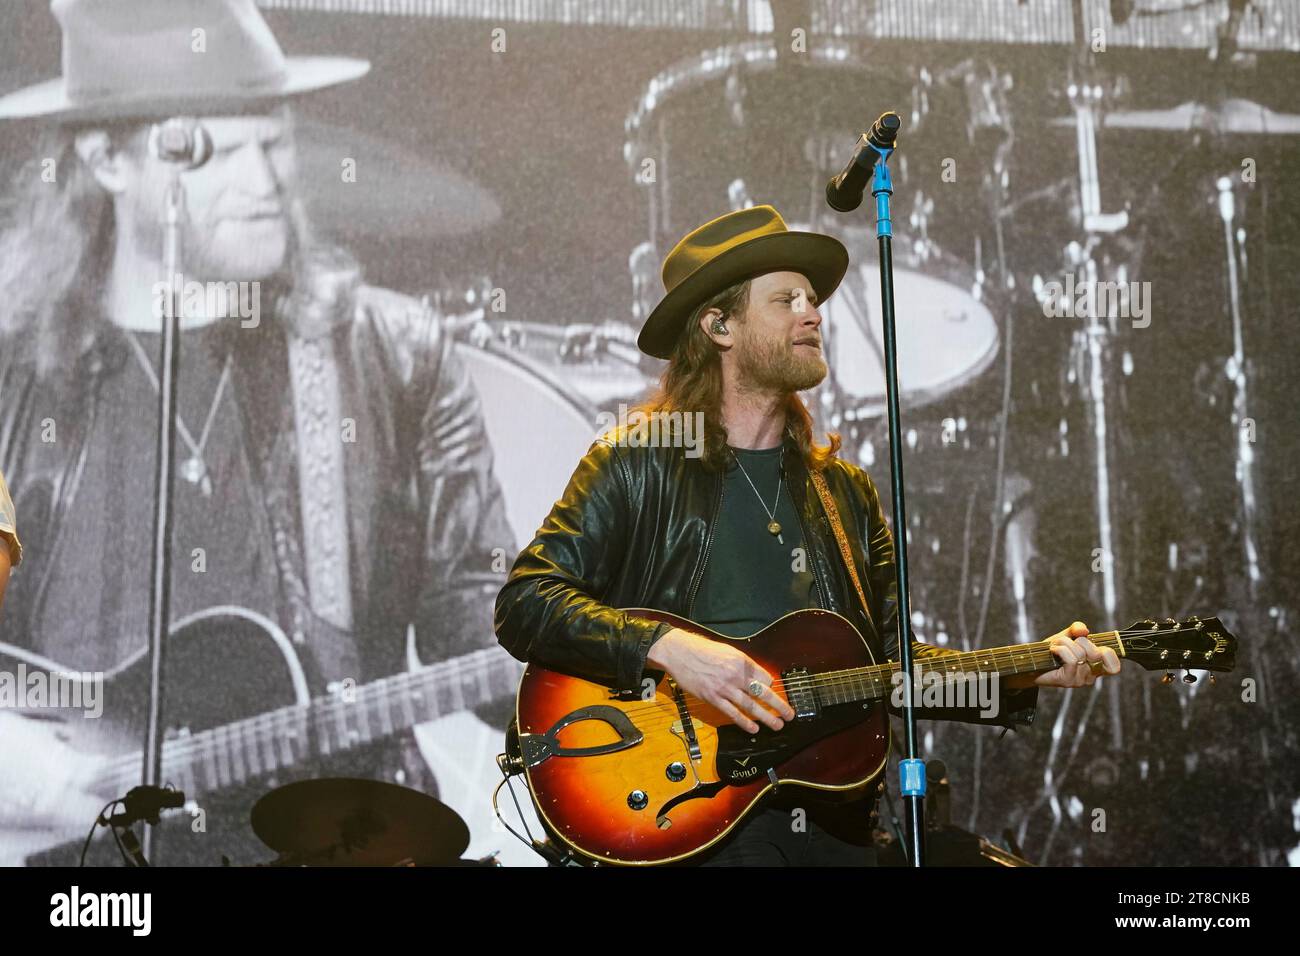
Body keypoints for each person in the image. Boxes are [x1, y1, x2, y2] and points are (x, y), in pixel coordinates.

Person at [0, 0, 514, 865]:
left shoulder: (390, 356)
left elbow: (480, 616)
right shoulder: (14, 383)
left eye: (271, 142)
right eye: (210, 149)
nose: (264, 181)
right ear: (105, 158)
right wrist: (27, 775)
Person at [495, 204, 1123, 866]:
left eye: (812, 297)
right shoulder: (637, 462)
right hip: (684, 822)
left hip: (831, 825)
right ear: (719, 326)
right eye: (785, 299)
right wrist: (671, 650)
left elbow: (895, 673)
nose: (813, 312)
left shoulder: (843, 491)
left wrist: (1027, 676)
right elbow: (527, 604)